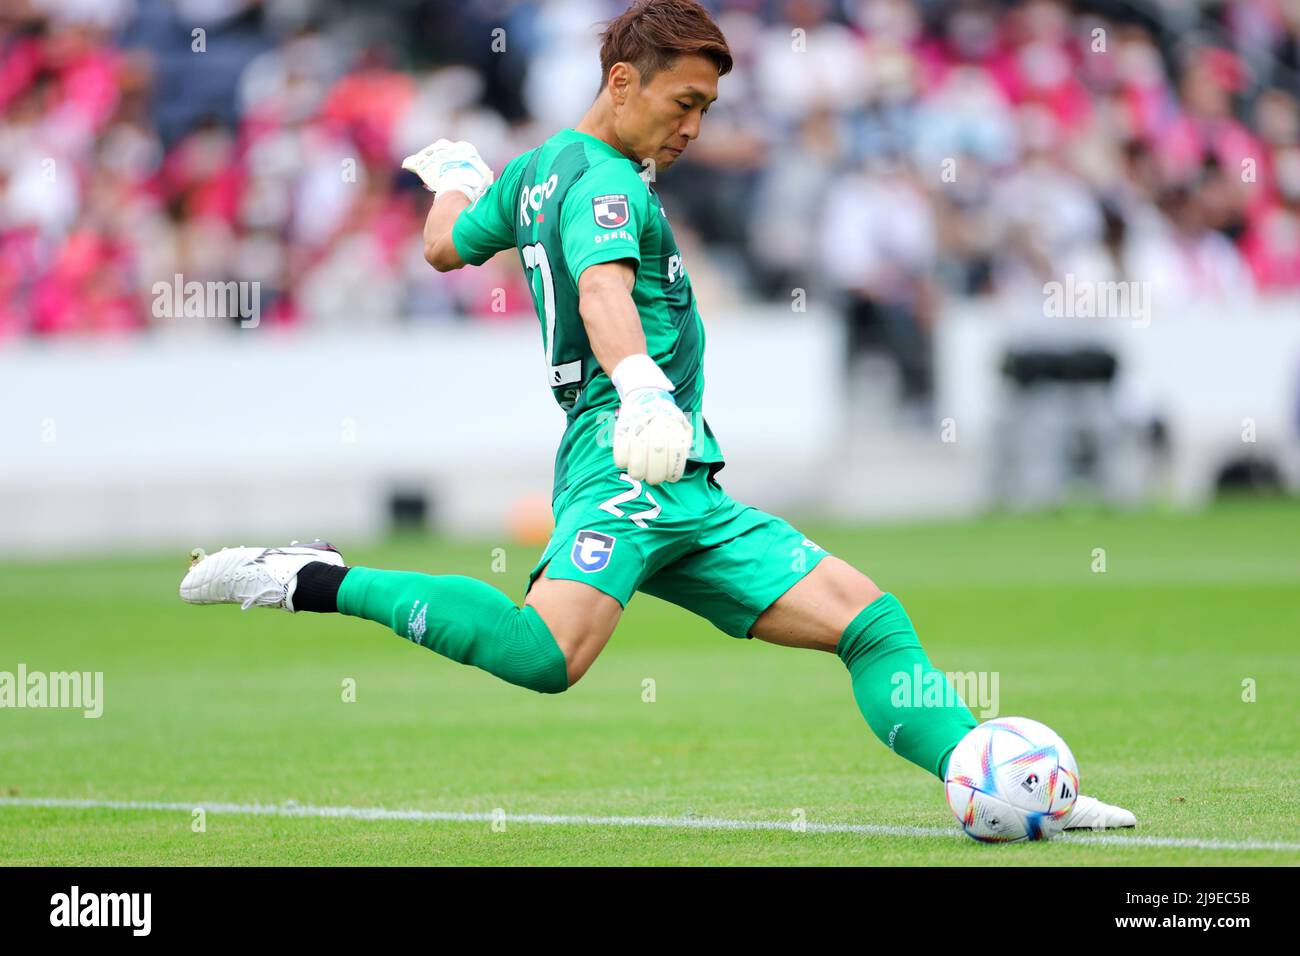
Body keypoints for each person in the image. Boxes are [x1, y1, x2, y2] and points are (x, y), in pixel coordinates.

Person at [180, 0, 1134, 832]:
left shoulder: (537, 170)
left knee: (871, 624)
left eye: (708, 110)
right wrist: (639, 386)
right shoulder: (606, 182)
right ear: (624, 80)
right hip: (626, 452)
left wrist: (459, 180)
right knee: (544, 655)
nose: (693, 128)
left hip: (684, 476)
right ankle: (314, 578)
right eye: (685, 104)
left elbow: (443, 249)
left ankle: (1009, 783)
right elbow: (601, 292)